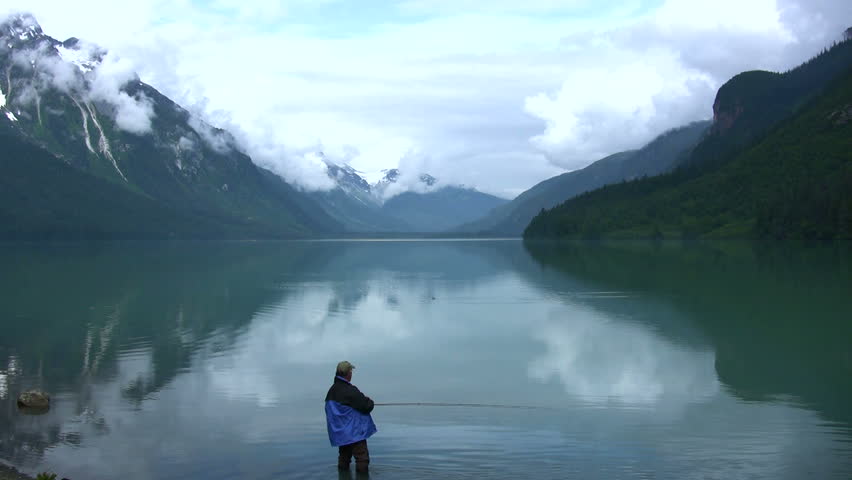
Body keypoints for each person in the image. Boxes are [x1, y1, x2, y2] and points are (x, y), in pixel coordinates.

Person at [325, 361, 377, 474]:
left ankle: (343, 475)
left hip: (341, 435)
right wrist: (370, 402)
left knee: (344, 458)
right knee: (362, 458)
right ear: (347, 373)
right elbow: (366, 406)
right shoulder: (350, 390)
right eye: (351, 371)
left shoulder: (331, 391)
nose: (351, 374)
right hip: (354, 433)